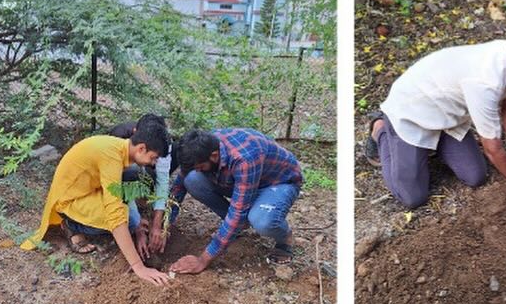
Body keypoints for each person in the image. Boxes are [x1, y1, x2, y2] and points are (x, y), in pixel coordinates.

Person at [363, 31, 506, 217]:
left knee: (476, 176)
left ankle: (432, 146)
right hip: (413, 112)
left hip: (447, 114)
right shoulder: (485, 82)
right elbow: (493, 150)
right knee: (413, 197)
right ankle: (380, 129)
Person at [21, 118, 173, 288]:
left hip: (87, 190)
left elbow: (118, 191)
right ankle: (71, 224)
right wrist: (139, 267)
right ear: (141, 148)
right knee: (125, 219)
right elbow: (115, 215)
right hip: (69, 200)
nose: (153, 163)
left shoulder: (118, 148)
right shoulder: (111, 156)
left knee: (132, 217)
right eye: (153, 158)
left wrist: (137, 225)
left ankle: (86, 221)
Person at [166, 128, 303, 273]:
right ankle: (239, 227)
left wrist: (202, 260)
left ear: (214, 156)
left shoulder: (244, 159)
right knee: (191, 180)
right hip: (245, 181)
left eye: (200, 167)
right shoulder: (199, 148)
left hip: (277, 183)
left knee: (262, 221)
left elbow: (238, 212)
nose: (199, 170)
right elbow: (178, 187)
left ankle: (285, 238)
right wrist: (164, 225)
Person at [106, 113, 178, 259]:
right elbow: (117, 188)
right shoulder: (118, 137)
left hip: (142, 170)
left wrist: (157, 225)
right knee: (132, 172)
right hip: (111, 182)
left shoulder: (163, 142)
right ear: (135, 133)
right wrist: (137, 225)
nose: (155, 162)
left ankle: (145, 194)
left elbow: (162, 181)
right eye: (154, 157)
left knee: (146, 171)